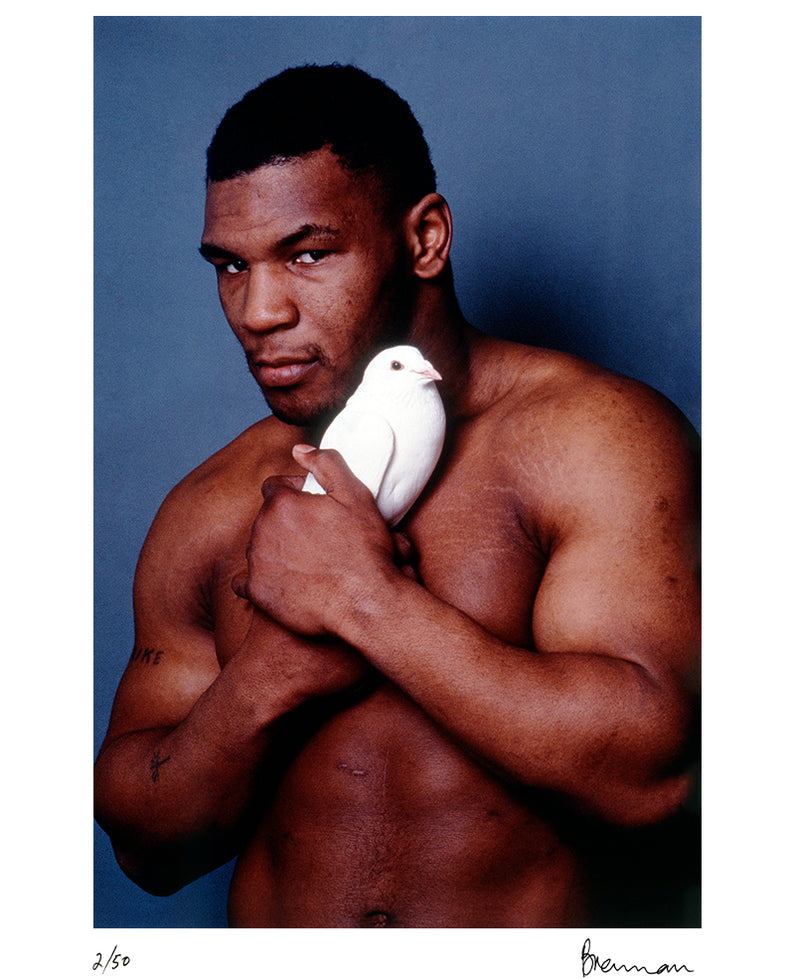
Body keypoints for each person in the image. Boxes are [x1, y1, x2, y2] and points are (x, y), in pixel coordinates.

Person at [94, 64, 700, 928]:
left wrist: (366, 604)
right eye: (230, 265)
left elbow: (657, 780)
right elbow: (144, 849)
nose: (258, 310)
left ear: (424, 238)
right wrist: (272, 675)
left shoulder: (591, 438)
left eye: (306, 255)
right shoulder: (216, 502)